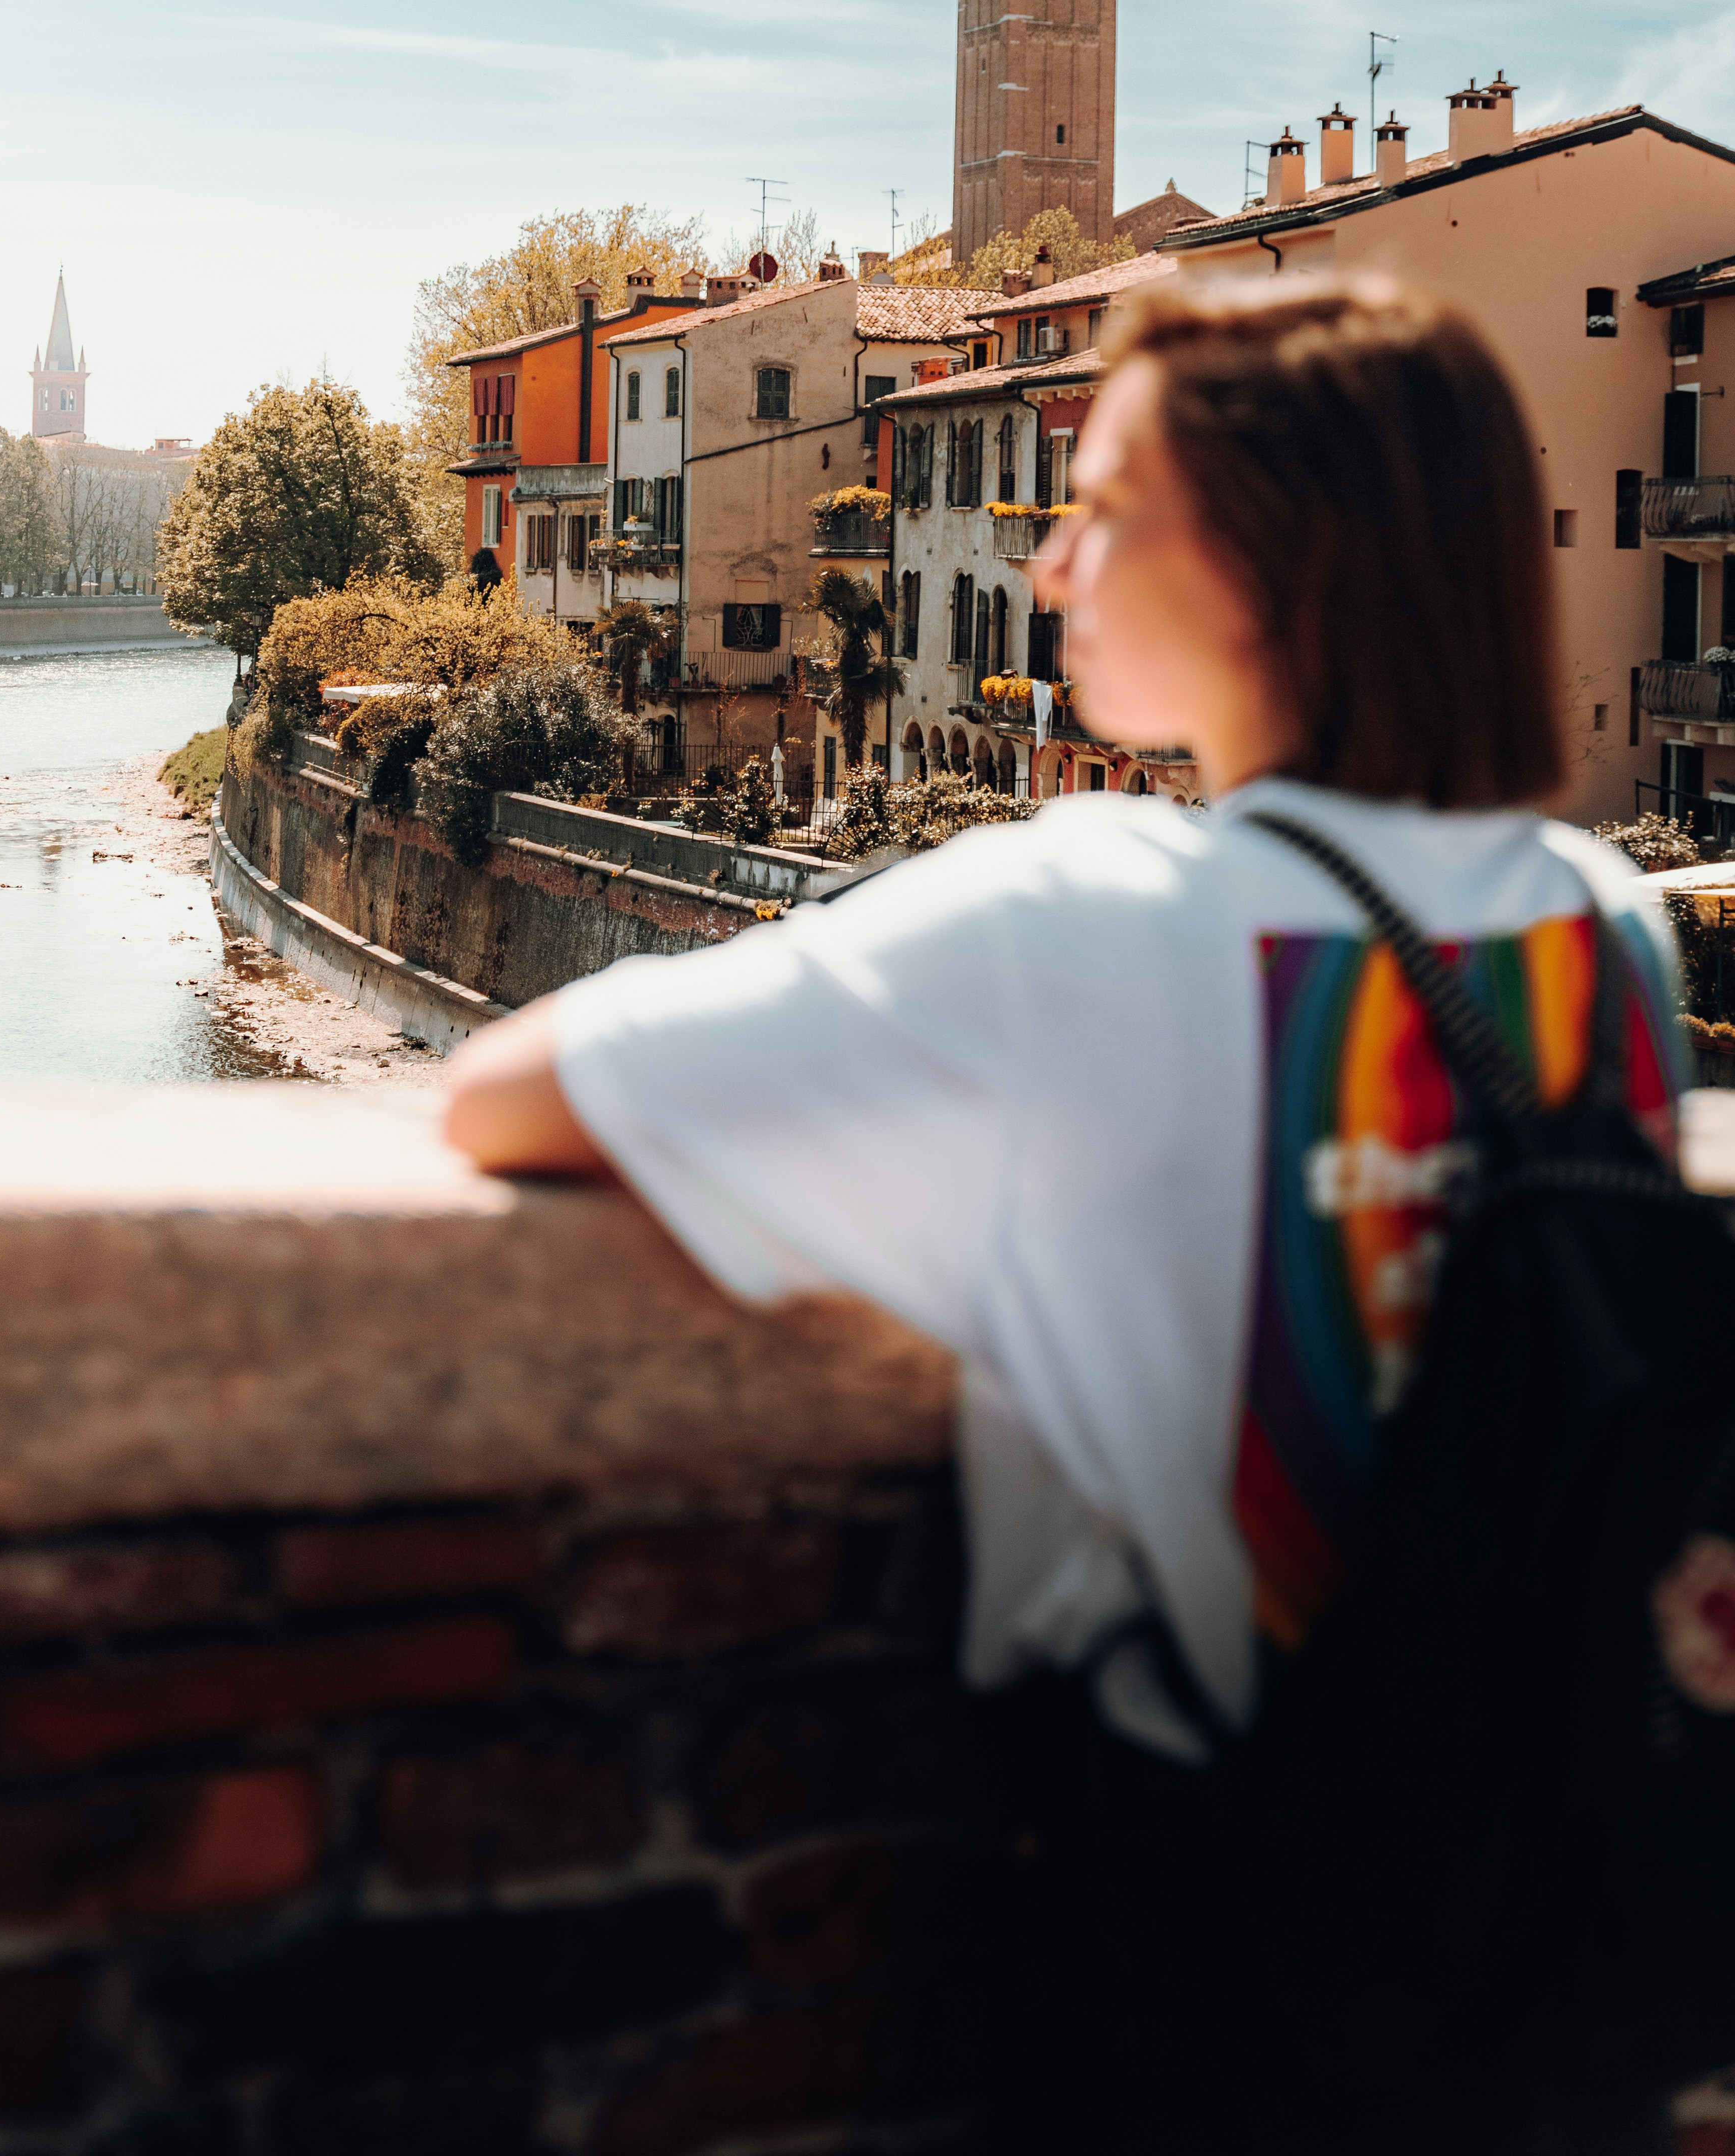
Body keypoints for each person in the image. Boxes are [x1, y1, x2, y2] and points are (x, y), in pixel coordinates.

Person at [443, 275, 1692, 2148]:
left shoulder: (1081, 920)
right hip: (1575, 1922)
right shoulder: (1610, 923)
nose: (1047, 570)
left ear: (1271, 563)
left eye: (1102, 508)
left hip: (1229, 1954)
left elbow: (510, 1096)